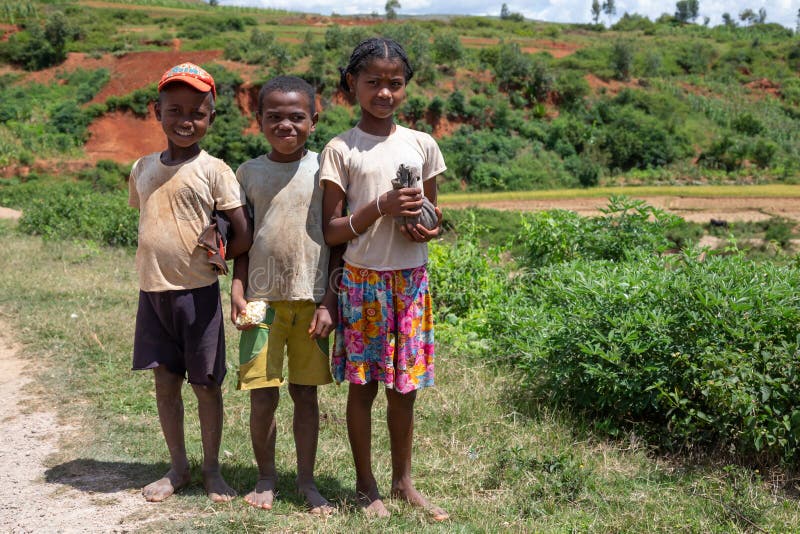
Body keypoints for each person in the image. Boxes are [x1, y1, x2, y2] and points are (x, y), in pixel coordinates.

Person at [319, 37, 449, 521]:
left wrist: (425, 227)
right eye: (373, 82)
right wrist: (380, 208)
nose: (384, 93)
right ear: (353, 83)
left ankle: (403, 482)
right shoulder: (340, 149)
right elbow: (332, 230)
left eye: (395, 83)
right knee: (364, 386)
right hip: (362, 282)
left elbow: (436, 217)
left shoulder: (421, 144)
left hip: (410, 282)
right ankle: (365, 484)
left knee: (404, 388)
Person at [128, 62, 251, 503]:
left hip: (199, 297)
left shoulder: (215, 170)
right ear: (155, 111)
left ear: (211, 118)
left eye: (197, 112)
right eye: (174, 109)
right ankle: (178, 466)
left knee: (206, 384)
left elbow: (242, 232)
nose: (185, 120)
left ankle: (213, 470)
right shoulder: (141, 168)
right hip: (153, 294)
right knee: (165, 383)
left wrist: (222, 256)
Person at [231, 75, 342, 514]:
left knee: (306, 394)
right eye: (274, 117)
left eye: (297, 117)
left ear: (314, 121)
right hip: (260, 303)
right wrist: (237, 290)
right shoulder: (249, 172)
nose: (285, 125)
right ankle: (265, 477)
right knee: (262, 393)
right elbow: (242, 241)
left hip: (311, 302)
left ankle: (308, 481)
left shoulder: (326, 170)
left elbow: (338, 244)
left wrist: (329, 302)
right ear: (258, 120)